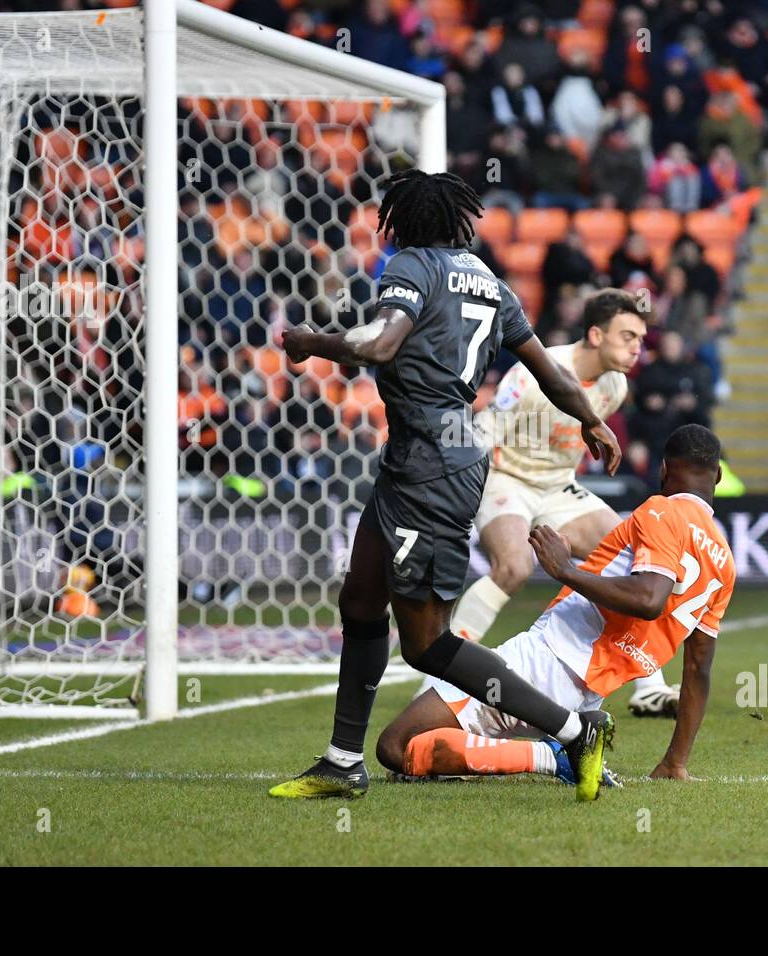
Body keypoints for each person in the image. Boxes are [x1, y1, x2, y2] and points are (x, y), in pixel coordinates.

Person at [271, 170, 623, 802]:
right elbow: (549, 370)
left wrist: (310, 341)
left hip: (432, 467)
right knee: (360, 600)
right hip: (424, 457)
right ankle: (342, 762)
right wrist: (592, 419)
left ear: (404, 222)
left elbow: (380, 345)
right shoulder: (489, 281)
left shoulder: (412, 266)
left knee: (428, 646)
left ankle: (574, 732)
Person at [376, 425, 736, 784]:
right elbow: (698, 670)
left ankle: (557, 755)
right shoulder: (725, 563)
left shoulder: (662, 511)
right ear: (717, 475)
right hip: (585, 695)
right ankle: (562, 743)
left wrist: (565, 570)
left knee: (396, 745)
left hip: (543, 662)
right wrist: (675, 761)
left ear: (662, 469)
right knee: (423, 758)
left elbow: (648, 598)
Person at [450, 289, 682, 719]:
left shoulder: (615, 386)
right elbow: (483, 434)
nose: (637, 348)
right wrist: (461, 495)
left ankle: (649, 687)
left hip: (558, 488)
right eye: (628, 336)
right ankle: (447, 671)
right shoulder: (534, 373)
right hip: (508, 478)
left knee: (638, 560)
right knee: (515, 566)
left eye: (640, 339)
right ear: (595, 334)